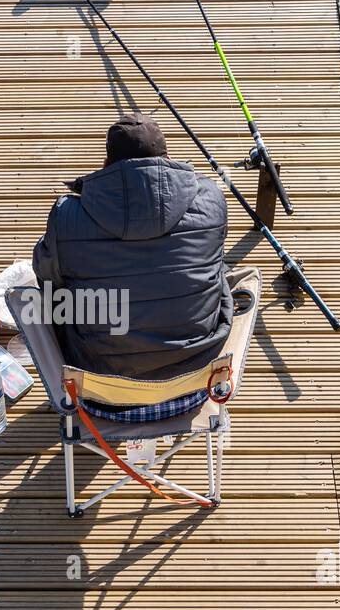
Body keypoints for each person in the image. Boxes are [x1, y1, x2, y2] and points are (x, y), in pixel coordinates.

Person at [32, 111, 234, 422]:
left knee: (57, 299)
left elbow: (47, 281)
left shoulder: (66, 217)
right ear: (167, 160)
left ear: (106, 166)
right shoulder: (210, 199)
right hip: (193, 387)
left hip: (99, 395)